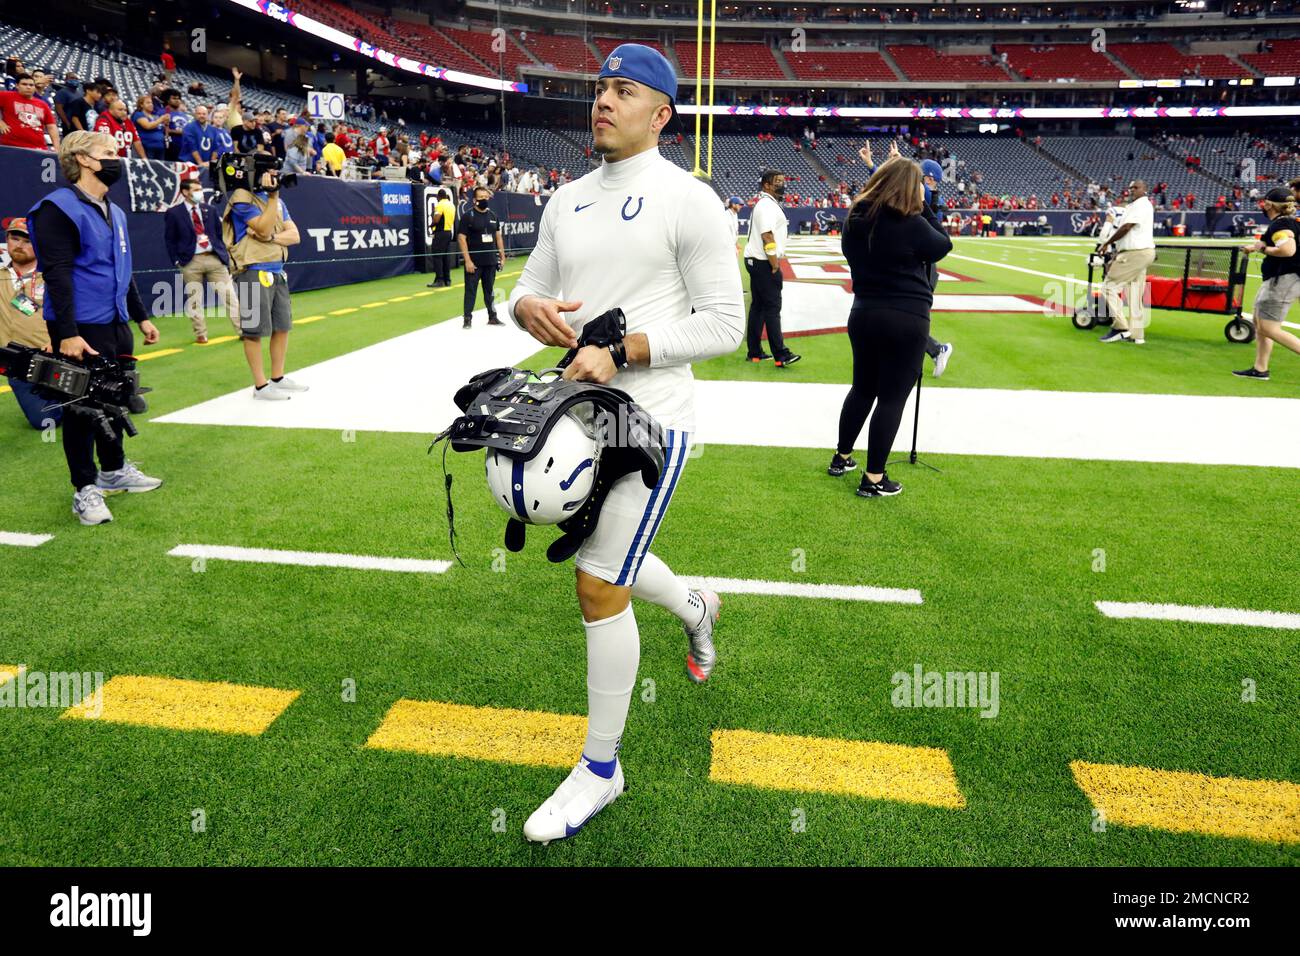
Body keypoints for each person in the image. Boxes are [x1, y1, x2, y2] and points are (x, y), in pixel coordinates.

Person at [505, 43, 743, 844]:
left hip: (649, 418)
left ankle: (599, 772)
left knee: (598, 582)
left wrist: (625, 349)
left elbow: (725, 324)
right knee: (618, 564)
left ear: (661, 113)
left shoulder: (691, 200)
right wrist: (523, 309)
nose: (604, 100)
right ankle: (699, 606)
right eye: (601, 87)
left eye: (625, 91)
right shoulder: (565, 199)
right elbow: (529, 286)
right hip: (574, 413)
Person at [27, 132, 163, 525]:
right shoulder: (56, 208)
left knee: (115, 397)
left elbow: (124, 270)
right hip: (80, 324)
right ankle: (84, 488)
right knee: (81, 407)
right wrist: (67, 333)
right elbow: (57, 273)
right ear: (83, 159)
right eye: (107, 152)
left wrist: (140, 316)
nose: (116, 157)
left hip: (115, 321)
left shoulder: (114, 211)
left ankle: (114, 469)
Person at [830, 157, 952, 497]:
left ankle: (841, 457)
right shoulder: (911, 222)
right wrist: (926, 206)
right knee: (892, 397)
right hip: (906, 314)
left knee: (862, 388)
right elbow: (943, 245)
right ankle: (873, 478)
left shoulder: (856, 218)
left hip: (864, 311)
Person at [221, 161, 306, 400]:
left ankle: (277, 377)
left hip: (277, 269)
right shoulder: (242, 197)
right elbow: (264, 228)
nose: (274, 176)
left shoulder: (277, 201)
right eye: (270, 172)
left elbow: (294, 235)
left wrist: (268, 238)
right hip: (251, 269)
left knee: (282, 326)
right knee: (254, 331)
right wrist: (272, 200)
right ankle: (260, 386)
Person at [0, 217, 62, 429]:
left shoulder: (53, 275)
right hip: (16, 363)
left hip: (54, 357)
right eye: (14, 238)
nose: (19, 245)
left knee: (85, 404)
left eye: (27, 241)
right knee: (45, 422)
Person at [1233, 186, 1300, 381]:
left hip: (1283, 280)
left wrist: (1262, 249)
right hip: (1284, 278)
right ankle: (1260, 368)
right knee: (1259, 321)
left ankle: (1260, 368)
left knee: (1268, 328)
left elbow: (1288, 250)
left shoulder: (1281, 225)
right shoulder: (1292, 222)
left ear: (1270, 204)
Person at [165, 178, 238, 344]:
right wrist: (177, 261)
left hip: (213, 258)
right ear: (185, 192)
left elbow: (219, 234)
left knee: (230, 296)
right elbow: (170, 239)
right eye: (196, 189)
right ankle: (200, 333)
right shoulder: (174, 213)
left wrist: (223, 254)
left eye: (200, 188)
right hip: (190, 261)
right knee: (194, 299)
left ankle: (242, 330)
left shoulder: (209, 210)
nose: (199, 192)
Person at [743, 169, 799, 366]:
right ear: (766, 184)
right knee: (772, 308)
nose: (782, 185)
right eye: (778, 182)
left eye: (783, 181)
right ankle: (781, 354)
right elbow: (767, 235)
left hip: (756, 260)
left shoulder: (767, 204)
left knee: (758, 307)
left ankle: (755, 352)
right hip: (764, 263)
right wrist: (774, 264)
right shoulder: (767, 205)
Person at [1098, 180, 1156, 344]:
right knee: (1135, 294)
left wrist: (1107, 243)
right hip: (1142, 252)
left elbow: (1126, 227)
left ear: (1145, 189)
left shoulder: (1141, 205)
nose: (1132, 190)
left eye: (1136, 187)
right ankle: (1137, 335)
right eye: (1131, 188)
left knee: (1108, 286)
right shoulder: (1137, 205)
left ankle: (1120, 327)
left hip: (1135, 253)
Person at [456, 185, 505, 329]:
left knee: (489, 291)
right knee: (470, 291)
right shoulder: (467, 216)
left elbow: (498, 237)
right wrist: (468, 261)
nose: (484, 200)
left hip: (490, 261)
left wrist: (502, 256)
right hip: (474, 263)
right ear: (474, 200)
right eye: (481, 198)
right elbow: (461, 238)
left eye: (486, 197)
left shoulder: (493, 216)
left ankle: (492, 317)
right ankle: (467, 319)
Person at [0, 73, 59, 151]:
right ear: (17, 86)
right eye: (24, 84)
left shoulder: (43, 104)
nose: (28, 87)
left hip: (38, 148)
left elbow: (51, 127)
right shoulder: (6, 96)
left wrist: (57, 148)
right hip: (10, 146)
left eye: (31, 85)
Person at [426, 188, 455, 287]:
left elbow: (437, 219)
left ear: (438, 197)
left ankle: (439, 280)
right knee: (446, 256)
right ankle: (447, 280)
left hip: (440, 232)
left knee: (437, 256)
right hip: (448, 232)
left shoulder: (440, 205)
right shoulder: (451, 205)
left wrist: (431, 225)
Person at [131, 94, 166, 160]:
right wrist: (161, 119)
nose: (151, 104)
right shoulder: (138, 114)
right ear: (141, 105)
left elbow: (163, 130)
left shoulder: (155, 116)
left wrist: (166, 123)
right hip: (146, 146)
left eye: (151, 103)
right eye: (148, 103)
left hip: (160, 146)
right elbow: (147, 126)